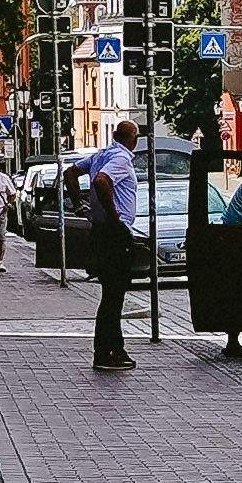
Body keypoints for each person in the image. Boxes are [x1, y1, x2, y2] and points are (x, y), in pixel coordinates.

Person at [89, 118, 145, 374]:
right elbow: (102, 181)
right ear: (132, 139)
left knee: (110, 295)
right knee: (114, 295)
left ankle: (113, 348)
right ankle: (107, 351)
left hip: (101, 232)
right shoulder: (121, 159)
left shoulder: (102, 154)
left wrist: (82, 203)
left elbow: (71, 172)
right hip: (115, 233)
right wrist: (114, 215)